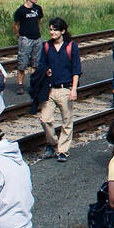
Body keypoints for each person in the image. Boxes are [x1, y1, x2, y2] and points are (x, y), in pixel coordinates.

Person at [33, 17, 80, 162]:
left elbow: (76, 69)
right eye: (50, 29)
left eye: (55, 29)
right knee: (45, 119)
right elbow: (41, 65)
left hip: (65, 89)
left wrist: (74, 90)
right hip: (50, 90)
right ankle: (53, 144)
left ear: (62, 31)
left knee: (67, 121)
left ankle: (63, 151)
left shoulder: (71, 46)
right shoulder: (46, 46)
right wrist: (45, 70)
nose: (51, 32)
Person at [12, 0, 44, 95]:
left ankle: (33, 84)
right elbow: (15, 24)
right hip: (25, 39)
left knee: (36, 63)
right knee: (22, 63)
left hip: (37, 38)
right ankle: (20, 85)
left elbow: (38, 20)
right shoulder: (21, 10)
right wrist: (19, 35)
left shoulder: (38, 9)